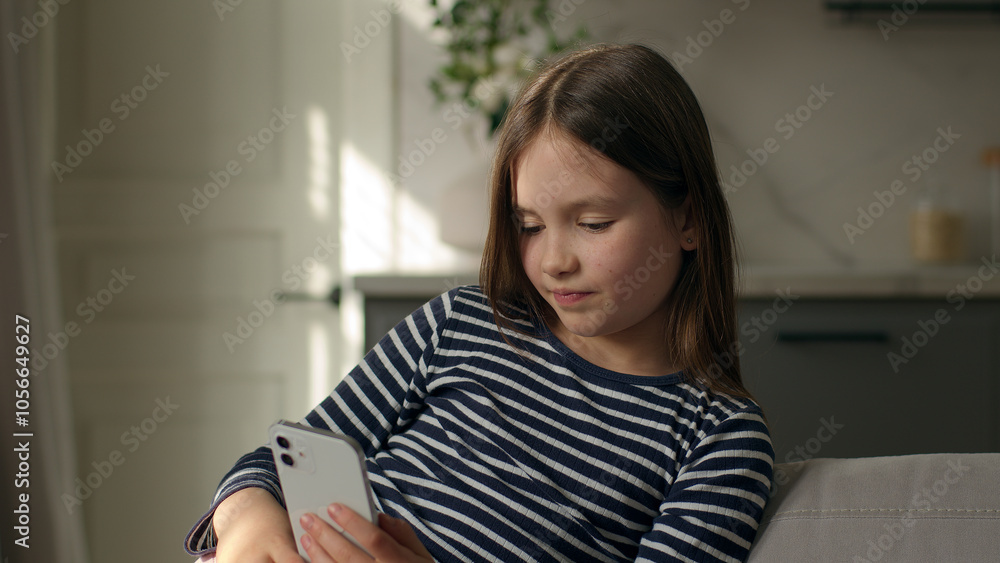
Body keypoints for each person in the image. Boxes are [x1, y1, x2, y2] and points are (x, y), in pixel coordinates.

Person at [185, 43, 774, 563]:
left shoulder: (718, 439)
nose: (552, 261)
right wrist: (247, 522)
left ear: (689, 218)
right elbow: (274, 464)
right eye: (528, 225)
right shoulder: (457, 324)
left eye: (593, 223)